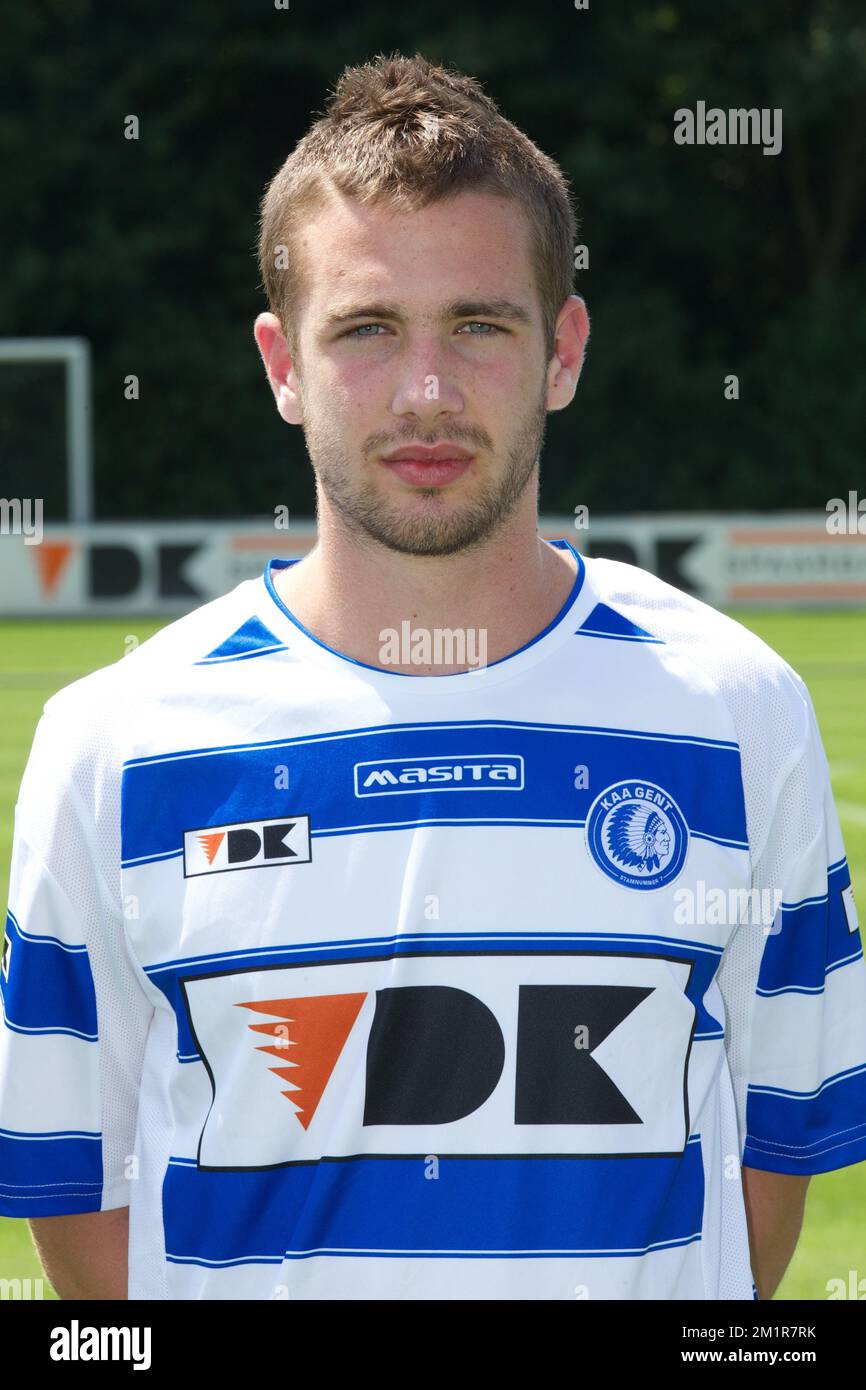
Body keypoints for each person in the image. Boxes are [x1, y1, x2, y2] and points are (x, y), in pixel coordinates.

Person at [1, 51, 864, 1302]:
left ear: (561, 348)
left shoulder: (734, 710)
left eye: (476, 324)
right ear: (281, 365)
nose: (425, 391)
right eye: (363, 329)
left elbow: (766, 1170)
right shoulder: (114, 745)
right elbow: (83, 1204)